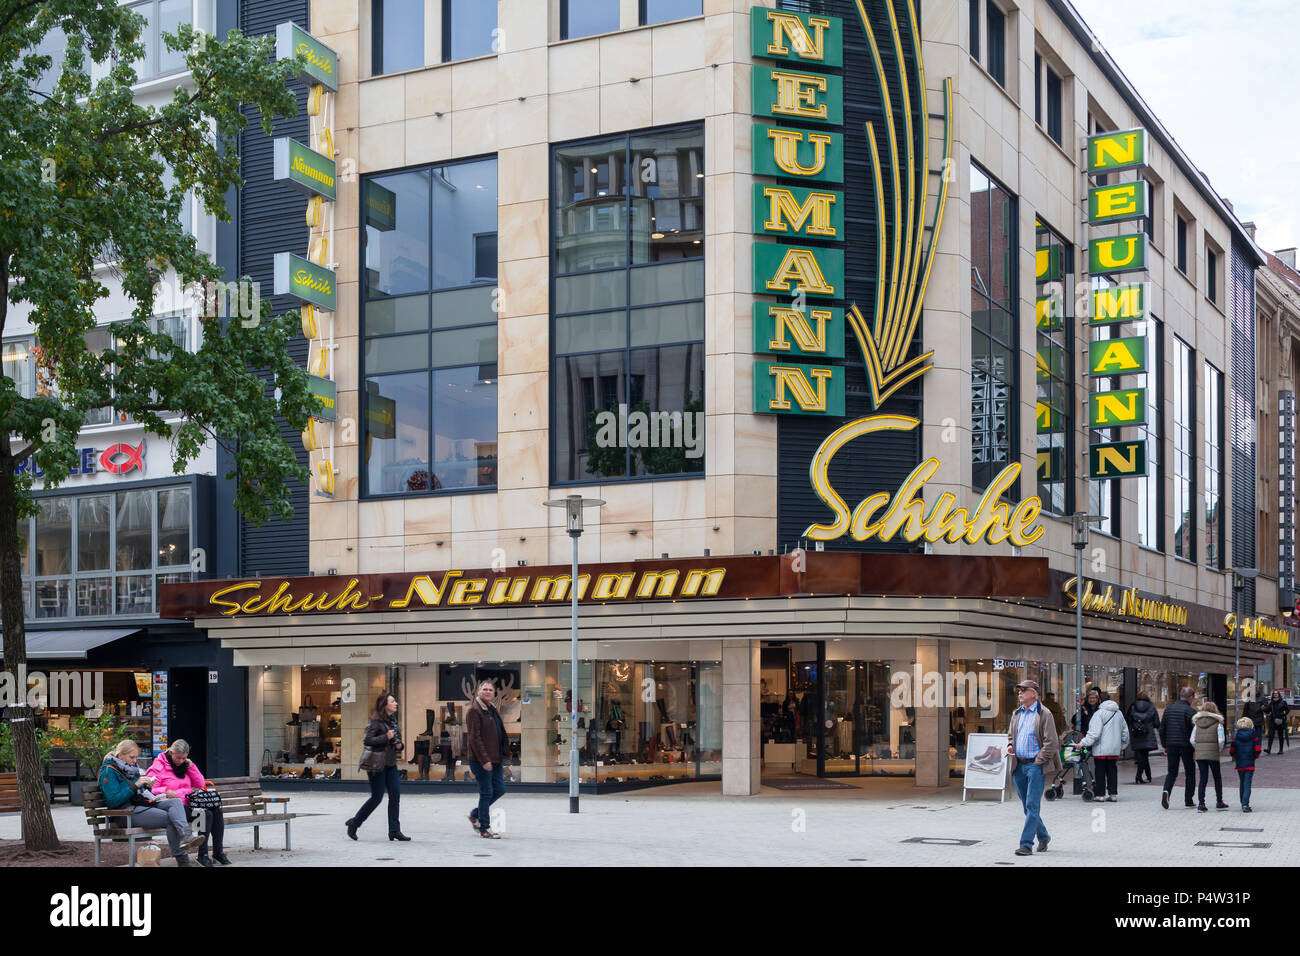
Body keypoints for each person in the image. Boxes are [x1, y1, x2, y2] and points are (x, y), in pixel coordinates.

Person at [98, 739, 203, 866]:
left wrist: (147, 786)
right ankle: (183, 861)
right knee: (171, 818)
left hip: (141, 804)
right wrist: (136, 785)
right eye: (132, 757)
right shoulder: (109, 772)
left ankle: (187, 836)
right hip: (125, 812)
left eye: (136, 757)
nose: (135, 761)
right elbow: (113, 801)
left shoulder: (130, 768)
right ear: (120, 755)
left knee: (175, 802)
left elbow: (139, 792)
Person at [146, 739, 230, 867]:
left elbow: (200, 784)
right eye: (178, 757)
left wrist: (192, 767)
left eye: (183, 758)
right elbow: (150, 789)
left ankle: (218, 852)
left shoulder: (185, 765)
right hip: (173, 807)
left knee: (216, 811)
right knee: (205, 814)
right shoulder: (158, 766)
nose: (180, 761)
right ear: (171, 752)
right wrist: (166, 791)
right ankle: (203, 854)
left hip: (189, 803)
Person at [1005, 678, 1061, 857]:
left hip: (1035, 766)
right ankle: (1043, 836)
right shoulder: (1017, 713)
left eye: (1024, 690)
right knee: (1026, 806)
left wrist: (1038, 761)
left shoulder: (1044, 714)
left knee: (1031, 805)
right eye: (1019, 690)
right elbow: (1011, 735)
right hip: (1018, 765)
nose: (1020, 693)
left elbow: (1052, 742)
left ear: (1034, 694)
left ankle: (1026, 844)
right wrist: (1010, 745)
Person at [346, 693, 409, 841]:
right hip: (376, 765)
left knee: (395, 796)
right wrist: (385, 737)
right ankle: (354, 823)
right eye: (393, 701)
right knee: (377, 798)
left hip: (390, 764)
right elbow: (367, 740)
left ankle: (394, 830)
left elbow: (396, 742)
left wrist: (400, 745)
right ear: (384, 705)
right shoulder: (375, 722)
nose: (396, 703)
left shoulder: (392, 721)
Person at [466, 679, 508, 839]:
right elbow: (474, 738)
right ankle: (484, 828)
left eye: (490, 690)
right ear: (478, 692)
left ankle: (475, 814)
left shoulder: (492, 709)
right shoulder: (474, 711)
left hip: (495, 759)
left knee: (500, 789)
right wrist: (484, 760)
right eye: (485, 689)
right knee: (486, 792)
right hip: (481, 761)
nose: (488, 692)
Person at [1078, 689, 1130, 801]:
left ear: (1100, 700)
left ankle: (1100, 795)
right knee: (1112, 770)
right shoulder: (1119, 713)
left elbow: (1094, 733)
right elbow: (1125, 732)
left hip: (1101, 749)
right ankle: (1113, 794)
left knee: (1100, 771)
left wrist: (1082, 743)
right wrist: (1122, 746)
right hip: (1114, 749)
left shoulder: (1099, 714)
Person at [1159, 687, 1198, 810]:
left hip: (1171, 745)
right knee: (1190, 772)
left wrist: (1165, 745)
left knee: (1172, 772)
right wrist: (1195, 749)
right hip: (1186, 747)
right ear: (1190, 697)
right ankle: (1188, 800)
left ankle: (1166, 791)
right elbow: (1195, 732)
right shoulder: (1191, 711)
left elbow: (1162, 729)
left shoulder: (1168, 710)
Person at [1191, 699, 1228, 811]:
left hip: (1200, 754)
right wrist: (1219, 750)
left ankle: (1201, 804)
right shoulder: (1218, 724)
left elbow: (1192, 740)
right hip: (1213, 754)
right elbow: (1221, 740)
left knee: (1203, 778)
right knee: (1217, 777)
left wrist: (1198, 749)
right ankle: (1219, 801)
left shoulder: (1197, 724)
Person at [1126, 691, 1161, 784]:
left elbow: (1128, 720)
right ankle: (1139, 776)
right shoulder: (1151, 707)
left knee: (1143, 756)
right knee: (1144, 756)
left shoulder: (1132, 707)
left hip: (1136, 734)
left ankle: (1147, 776)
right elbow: (1157, 722)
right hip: (1147, 734)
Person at [1228, 717, 1261, 813]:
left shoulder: (1236, 736)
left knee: (1242, 783)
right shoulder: (1254, 735)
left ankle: (1242, 802)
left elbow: (1232, 751)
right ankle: (1245, 804)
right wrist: (1254, 757)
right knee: (1247, 784)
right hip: (1250, 763)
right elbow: (1257, 749)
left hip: (1239, 764)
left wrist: (1236, 757)